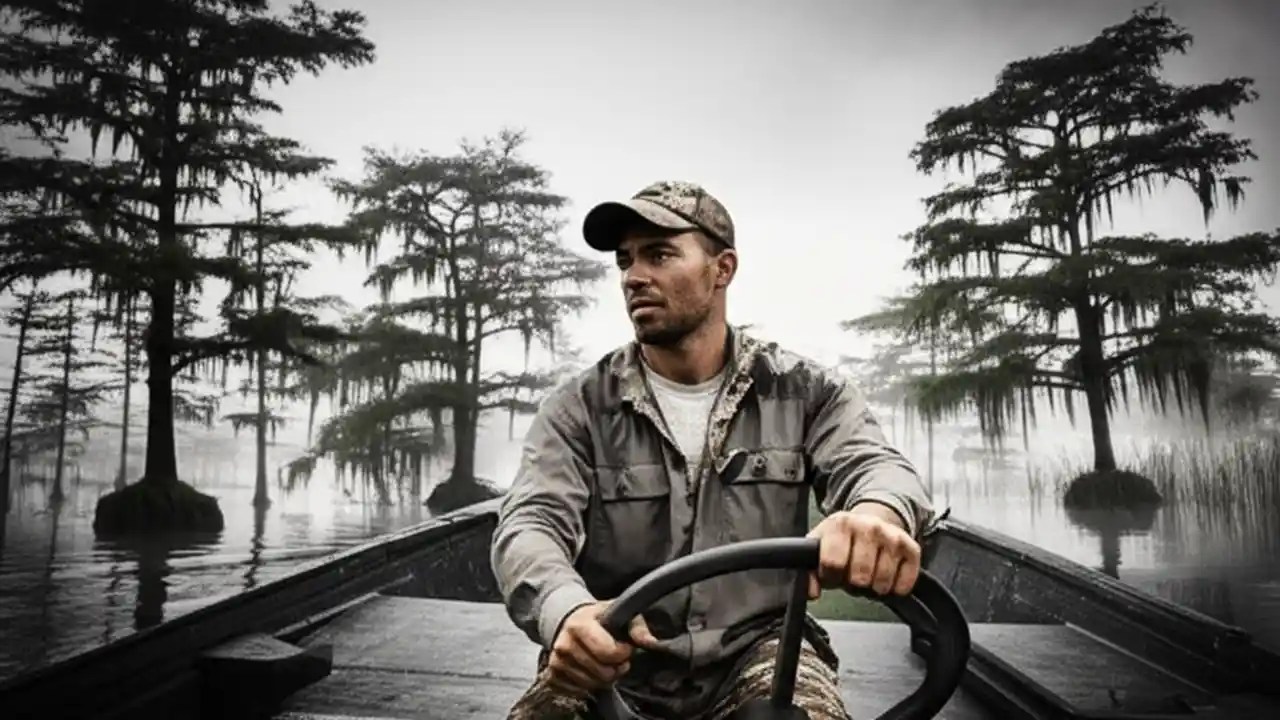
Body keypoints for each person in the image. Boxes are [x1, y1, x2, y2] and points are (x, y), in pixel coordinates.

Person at [491, 180, 937, 720]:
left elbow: (877, 467)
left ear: (722, 269)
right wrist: (567, 612)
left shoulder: (805, 391)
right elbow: (530, 523)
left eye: (659, 254)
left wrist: (874, 516)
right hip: (614, 652)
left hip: (764, 649)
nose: (634, 276)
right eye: (625, 260)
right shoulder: (577, 408)